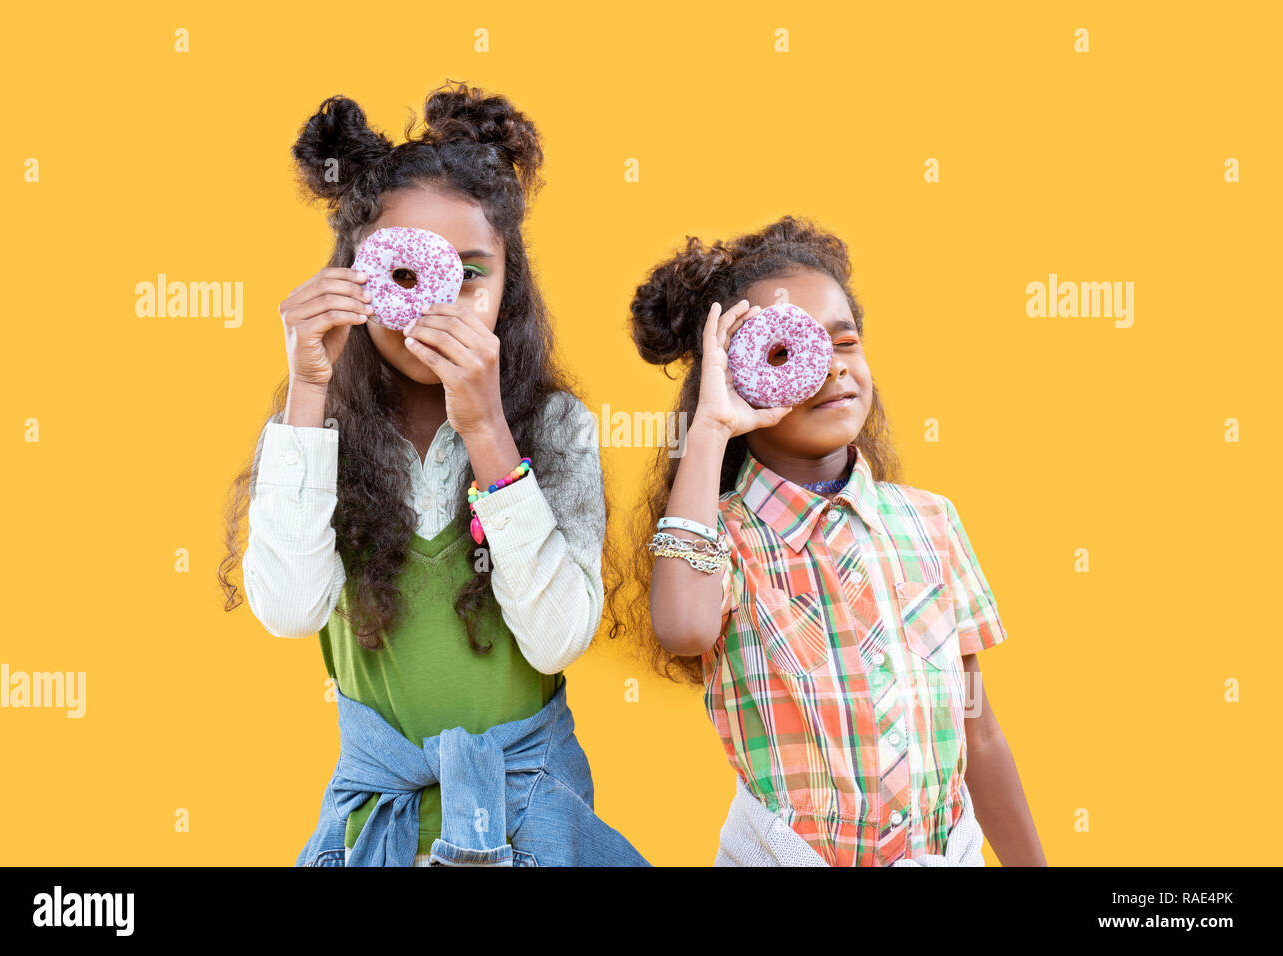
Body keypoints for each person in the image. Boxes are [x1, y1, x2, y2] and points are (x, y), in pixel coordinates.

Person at [218, 82, 647, 867]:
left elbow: (557, 643)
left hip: (531, 821)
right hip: (376, 825)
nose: (436, 304)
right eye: (410, 276)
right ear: (355, 276)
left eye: (472, 274)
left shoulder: (554, 430)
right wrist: (308, 391)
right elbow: (286, 611)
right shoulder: (316, 436)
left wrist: (487, 431)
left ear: (508, 288)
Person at [617, 214, 1045, 866]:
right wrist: (708, 428)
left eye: (844, 343)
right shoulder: (724, 538)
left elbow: (977, 732)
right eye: (788, 352)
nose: (830, 368)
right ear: (730, 377)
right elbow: (683, 627)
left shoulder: (930, 523)